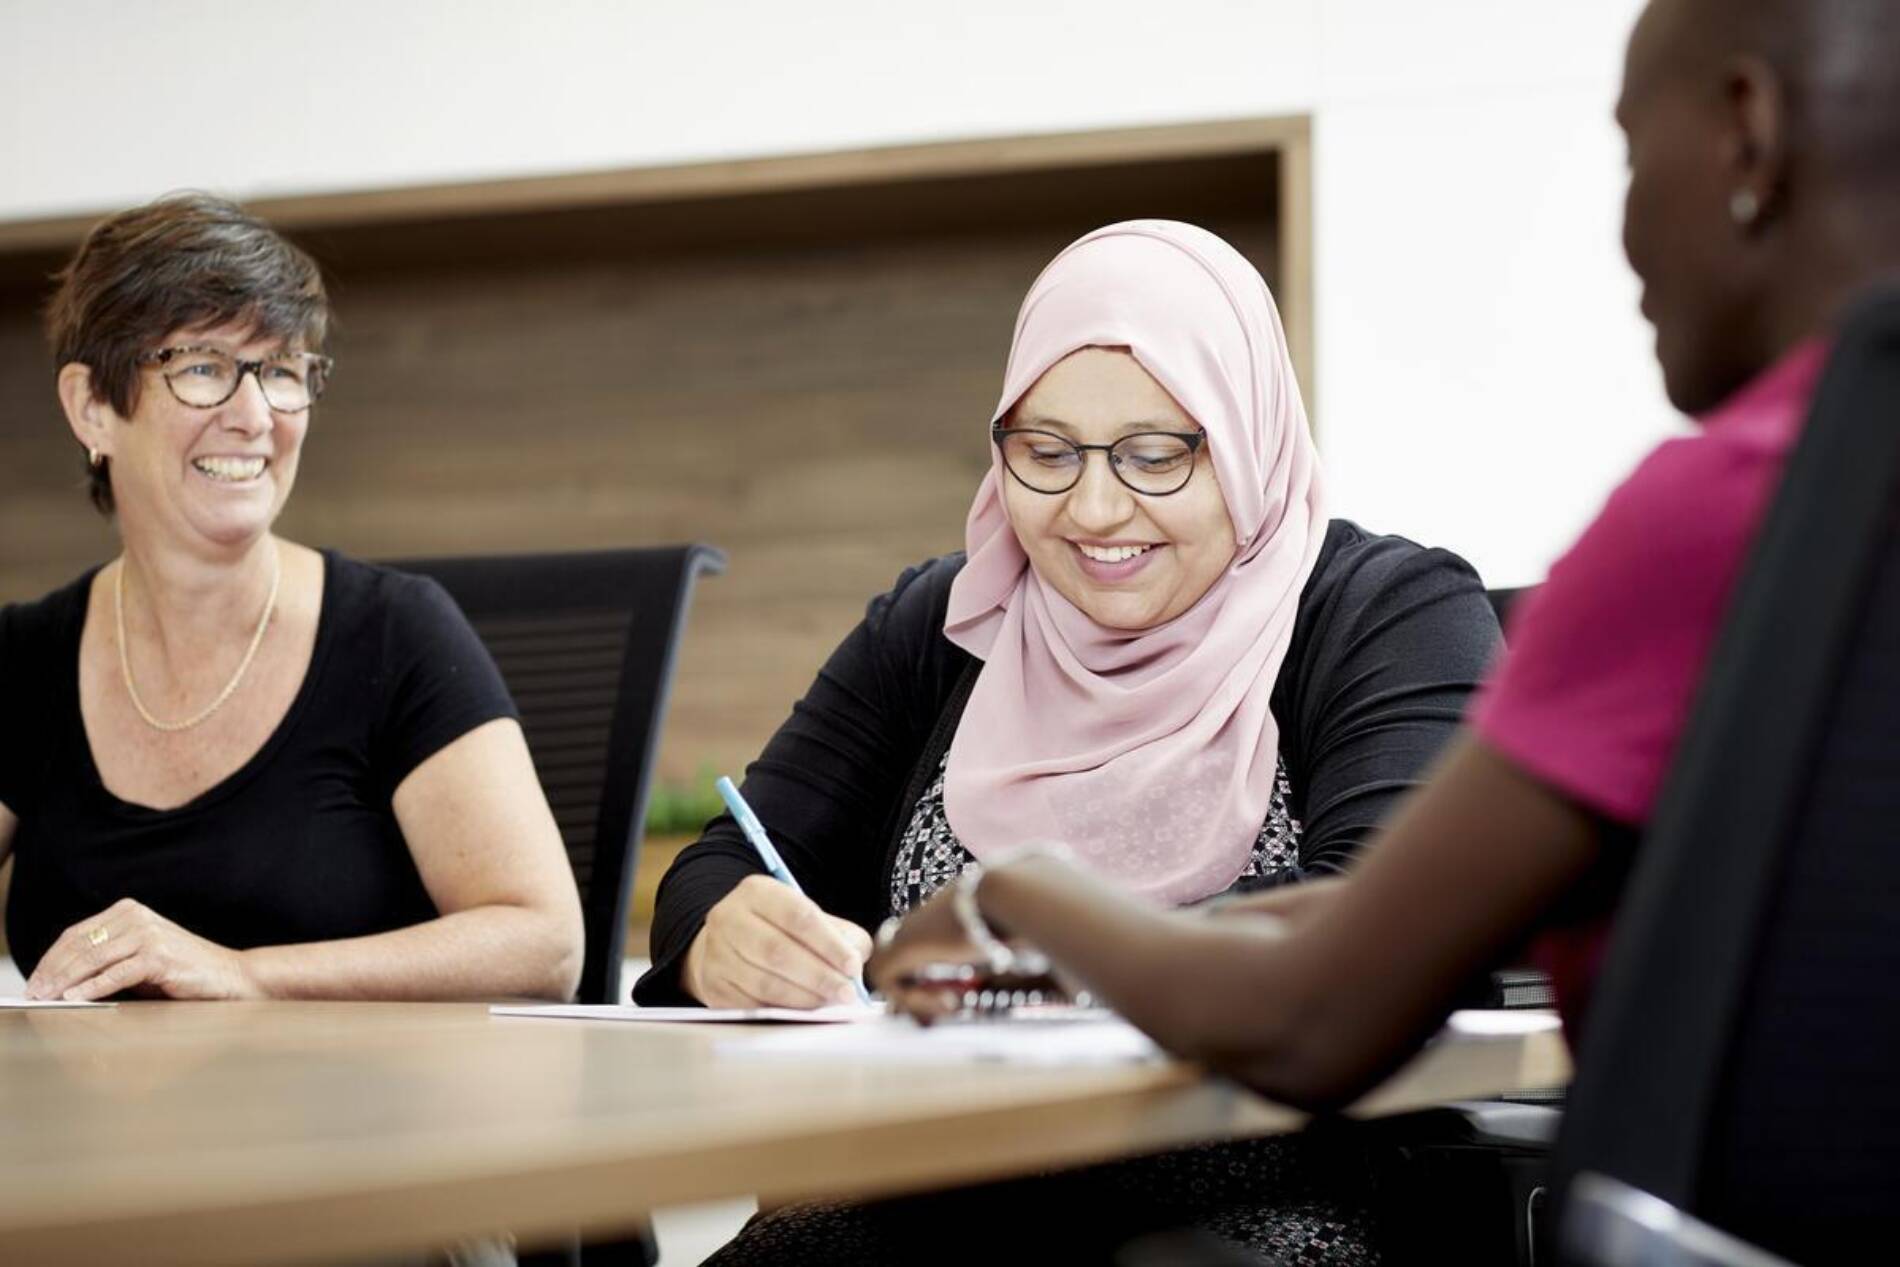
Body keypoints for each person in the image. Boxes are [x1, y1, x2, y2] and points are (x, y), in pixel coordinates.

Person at [873, 0, 1900, 1119]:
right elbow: (1367, 913)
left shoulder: (1721, 513)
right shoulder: (1821, 494)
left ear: (1745, 133)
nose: (1627, 234)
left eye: (1627, 151)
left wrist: (1021, 893)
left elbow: (1313, 1018)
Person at [639, 219, 1500, 1262]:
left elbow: (1387, 925)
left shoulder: (1384, 611)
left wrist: (1026, 951)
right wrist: (728, 931)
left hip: (1286, 1182)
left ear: (1245, 438)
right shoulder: (945, 623)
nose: (1093, 509)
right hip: (945, 1195)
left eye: (1155, 455)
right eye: (1043, 453)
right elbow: (722, 863)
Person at [0, 193, 584, 1004]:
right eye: (202, 366)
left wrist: (245, 973)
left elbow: (544, 941)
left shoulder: (395, 633)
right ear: (92, 407)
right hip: (85, 1127)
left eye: (280, 371)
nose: (255, 416)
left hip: (346, 1122)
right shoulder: (22, 659)